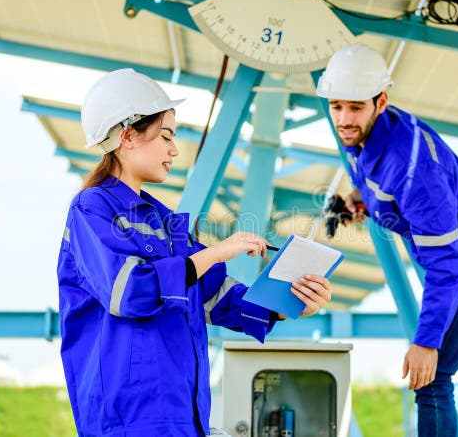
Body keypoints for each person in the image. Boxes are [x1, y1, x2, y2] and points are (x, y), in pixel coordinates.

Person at [57, 68, 333, 436]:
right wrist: (217, 252)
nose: (174, 149)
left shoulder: (166, 223)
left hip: (184, 416)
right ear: (127, 136)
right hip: (128, 417)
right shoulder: (91, 210)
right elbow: (128, 291)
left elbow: (216, 297)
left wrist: (290, 299)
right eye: (166, 136)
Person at [316, 43, 458, 436]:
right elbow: (373, 182)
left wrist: (426, 342)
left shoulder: (416, 170)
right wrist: (353, 202)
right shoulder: (365, 137)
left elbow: (447, 265)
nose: (343, 118)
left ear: (380, 101)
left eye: (355, 107)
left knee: (431, 377)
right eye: (336, 106)